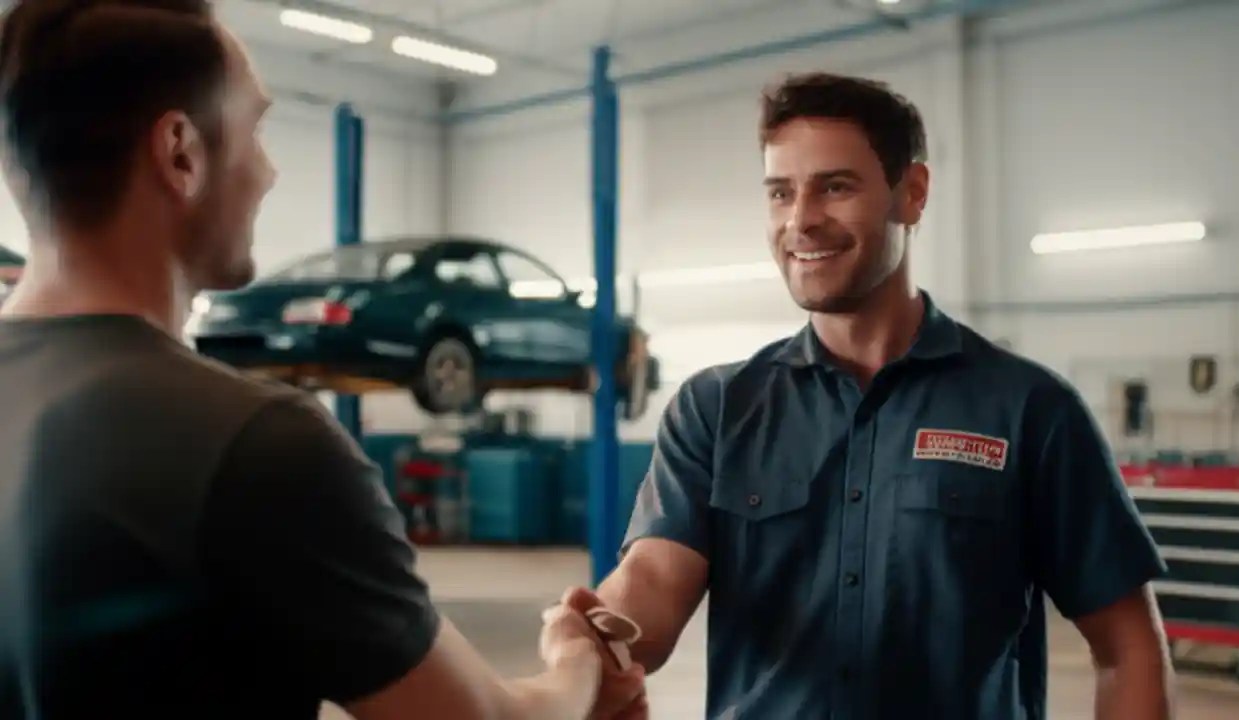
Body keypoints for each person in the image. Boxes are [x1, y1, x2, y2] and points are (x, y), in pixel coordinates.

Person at [0, 1, 644, 718]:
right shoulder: (258, 445)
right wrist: (577, 662)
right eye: (256, 129)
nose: (269, 172)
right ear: (180, 152)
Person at [563, 73, 1176, 718]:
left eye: (835, 186)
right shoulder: (717, 408)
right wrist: (593, 630)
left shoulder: (1028, 410)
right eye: (780, 192)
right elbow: (655, 580)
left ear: (911, 194)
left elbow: (1127, 647)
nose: (801, 220)